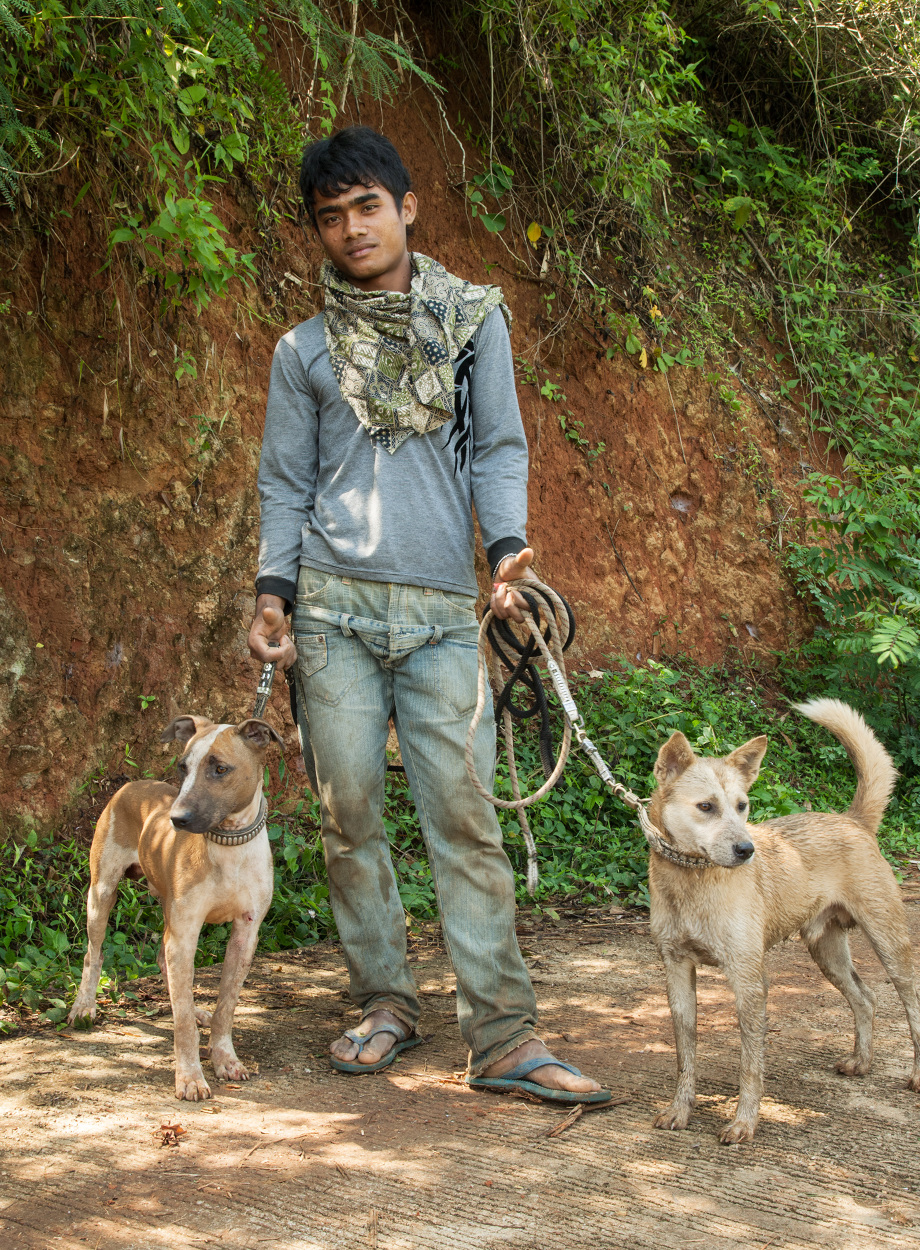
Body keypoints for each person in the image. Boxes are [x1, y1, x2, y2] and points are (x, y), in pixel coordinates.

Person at [248, 126, 604, 1102]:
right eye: (331, 216)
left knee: (464, 816)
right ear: (319, 234)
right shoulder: (304, 351)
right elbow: (285, 483)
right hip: (332, 612)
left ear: (407, 208)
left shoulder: (471, 322)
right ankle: (384, 1002)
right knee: (347, 810)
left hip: (448, 612)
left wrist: (505, 551)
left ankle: (502, 1036)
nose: (351, 228)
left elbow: (499, 445)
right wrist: (273, 593)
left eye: (367, 205)